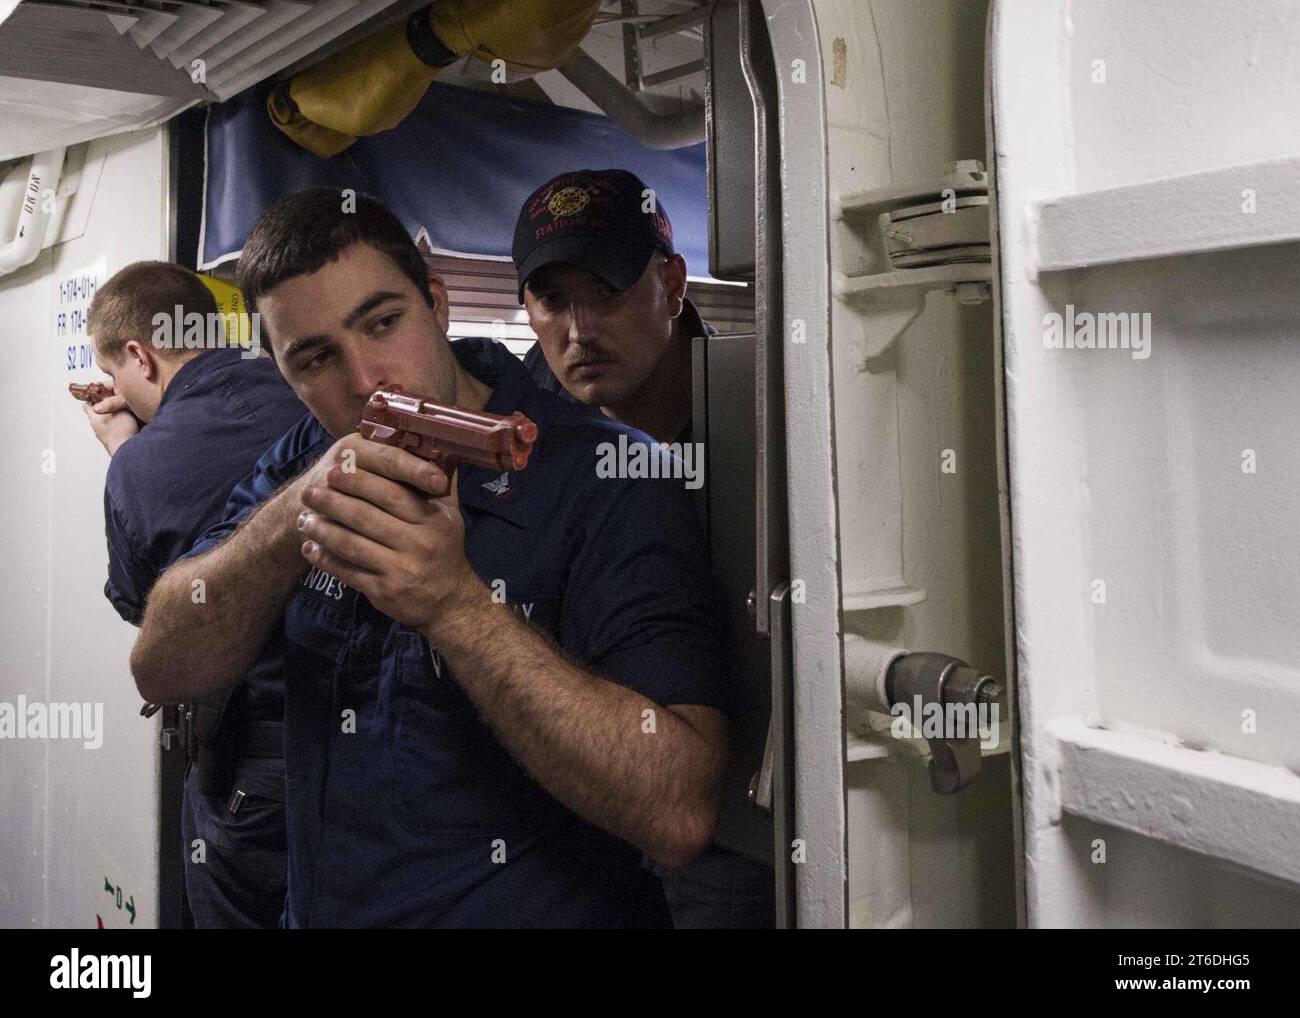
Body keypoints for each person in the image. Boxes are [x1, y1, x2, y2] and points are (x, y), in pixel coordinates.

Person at [128, 188, 732, 928]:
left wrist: (457, 608)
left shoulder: (606, 477)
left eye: (383, 322)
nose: (366, 380)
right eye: (316, 358)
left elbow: (677, 809)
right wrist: (291, 519)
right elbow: (160, 665)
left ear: (439, 306)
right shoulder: (306, 458)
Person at [513, 168, 776, 928]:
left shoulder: (769, 412)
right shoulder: (515, 426)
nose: (578, 329)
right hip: (571, 802)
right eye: (552, 300)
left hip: (731, 822)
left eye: (604, 291)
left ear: (672, 282)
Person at [81, 261, 306, 928]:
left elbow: (141, 609)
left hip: (251, 761)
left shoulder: (142, 466)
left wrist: (126, 452)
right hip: (367, 744)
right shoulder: (303, 392)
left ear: (138, 358)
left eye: (120, 376)